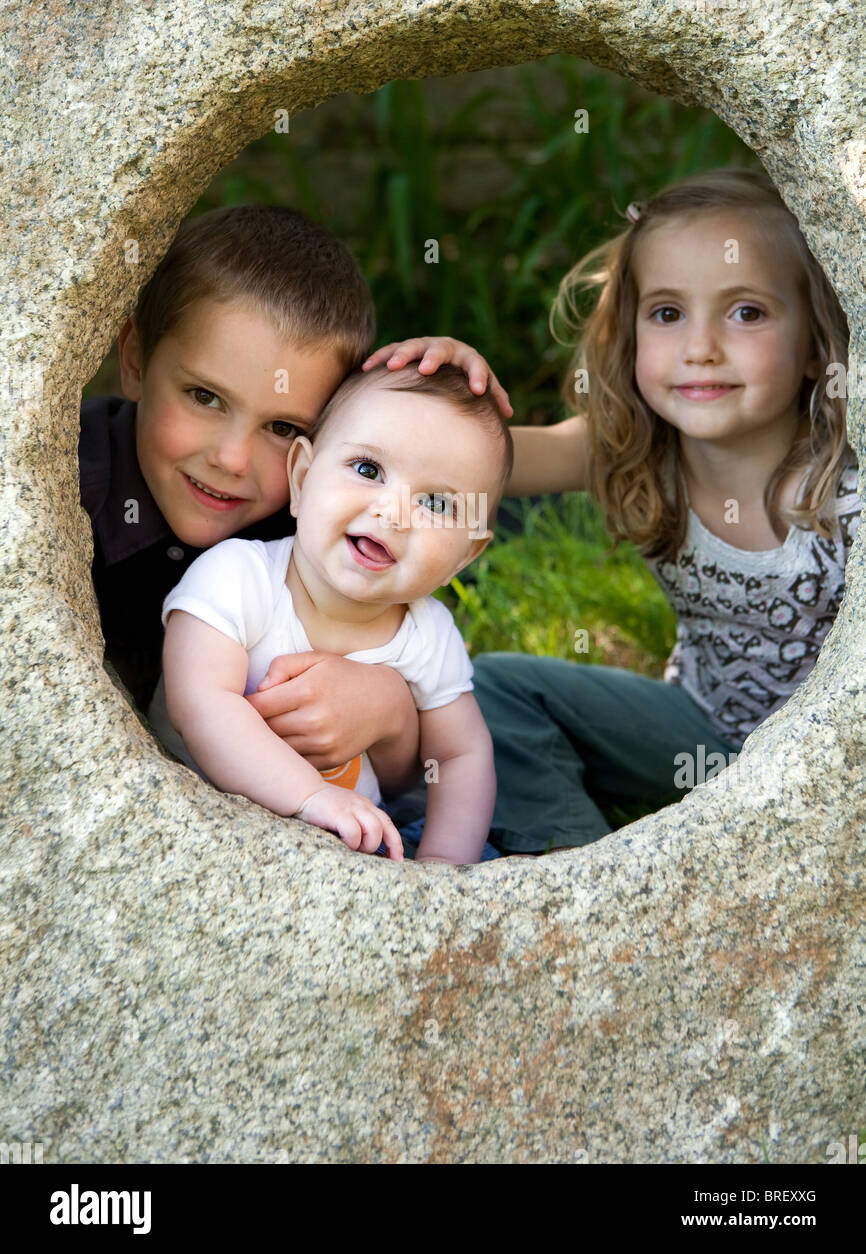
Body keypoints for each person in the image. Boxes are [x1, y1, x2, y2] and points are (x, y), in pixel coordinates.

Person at [362, 168, 861, 853]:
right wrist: (445, 384)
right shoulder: (633, 448)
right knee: (499, 691)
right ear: (631, 337)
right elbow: (475, 458)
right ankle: (577, 868)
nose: (699, 348)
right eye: (666, 313)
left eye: (747, 312)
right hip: (705, 732)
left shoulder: (846, 483)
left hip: (840, 763)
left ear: (814, 344)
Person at [79, 204, 422, 795]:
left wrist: (390, 707)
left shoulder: (315, 526)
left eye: (283, 428)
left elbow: (410, 773)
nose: (232, 460)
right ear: (134, 361)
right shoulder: (63, 485)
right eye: (204, 396)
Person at [155, 363, 513, 863]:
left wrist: (441, 874)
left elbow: (460, 756)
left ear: (465, 556)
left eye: (434, 502)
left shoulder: (428, 633)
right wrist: (311, 796)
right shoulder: (238, 578)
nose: (392, 512)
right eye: (368, 470)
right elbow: (200, 703)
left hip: (347, 856)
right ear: (302, 478)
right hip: (196, 827)